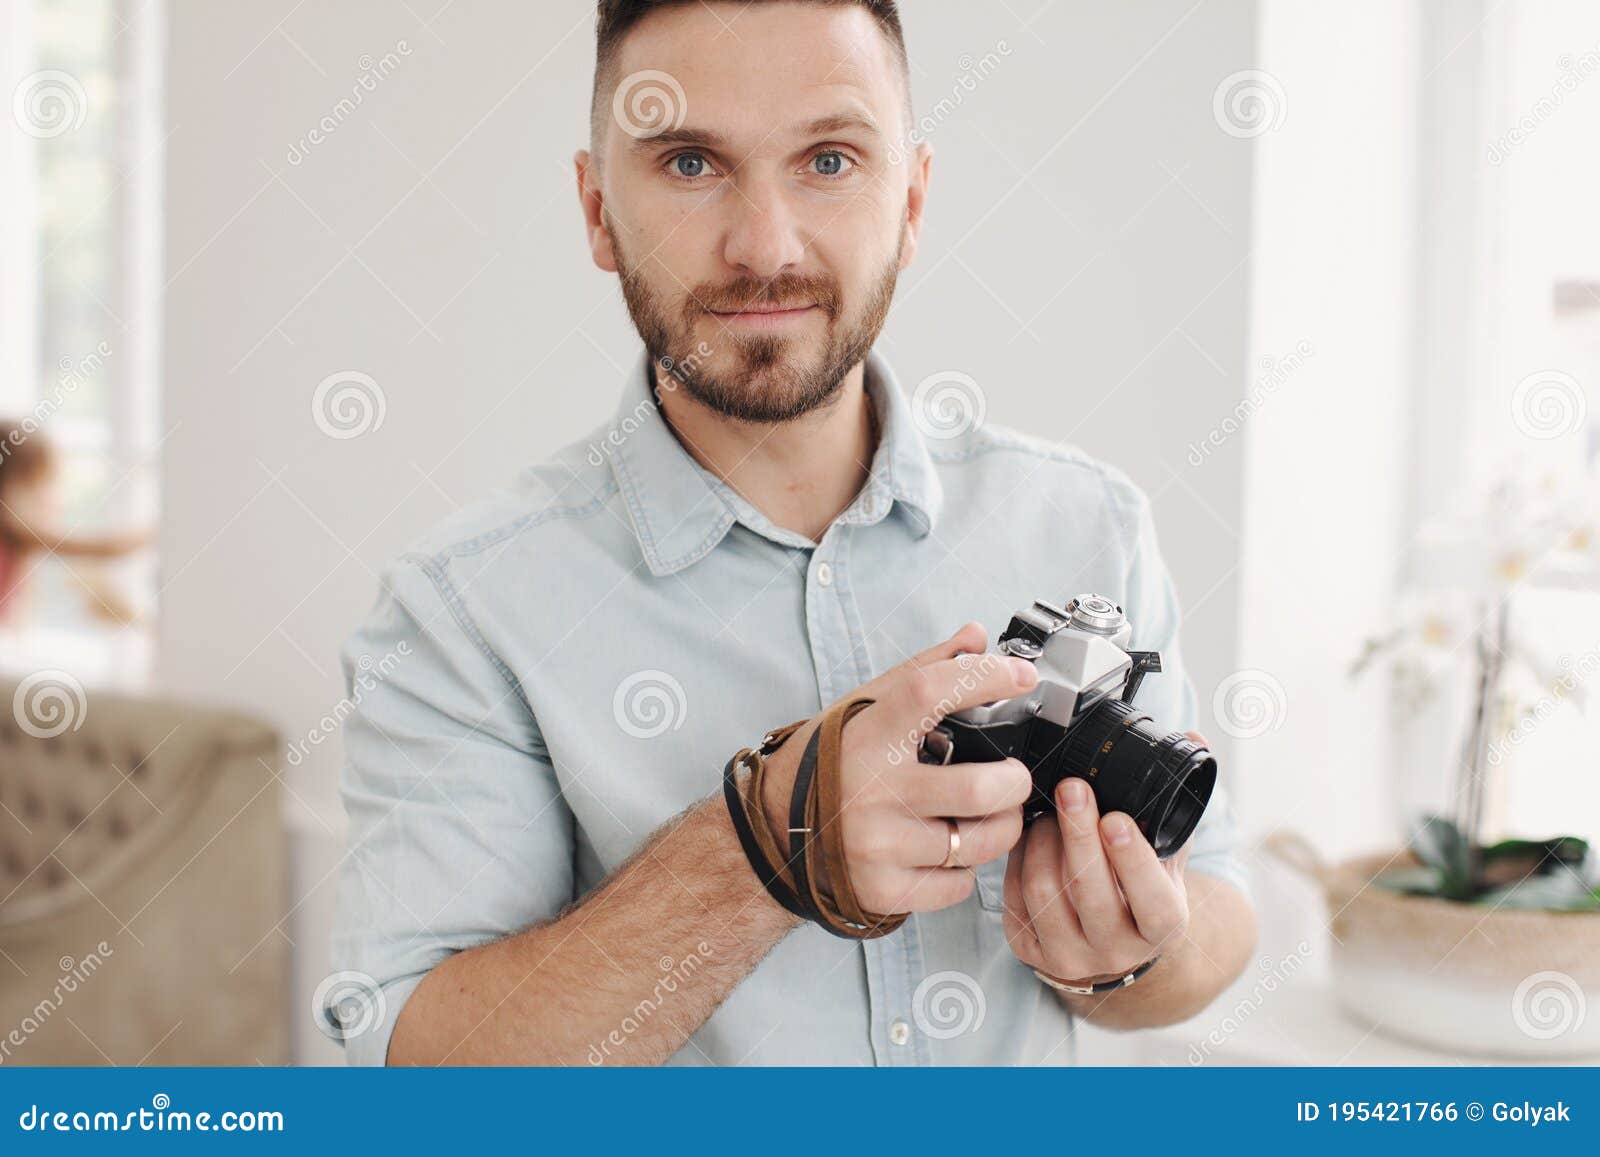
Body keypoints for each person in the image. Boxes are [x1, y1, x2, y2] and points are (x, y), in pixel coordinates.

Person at [329, 0, 1256, 1066]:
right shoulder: (462, 610)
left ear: (910, 200)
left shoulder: (1086, 520)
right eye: (689, 163)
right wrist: (770, 840)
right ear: (598, 211)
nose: (763, 247)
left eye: (828, 160)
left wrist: (1124, 955)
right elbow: (415, 1072)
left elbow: (1216, 903)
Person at [0, 423, 148, 626]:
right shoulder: (16, 531)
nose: (56, 499)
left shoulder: (19, 539)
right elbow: (111, 547)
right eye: (44, 484)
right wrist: (166, 525)